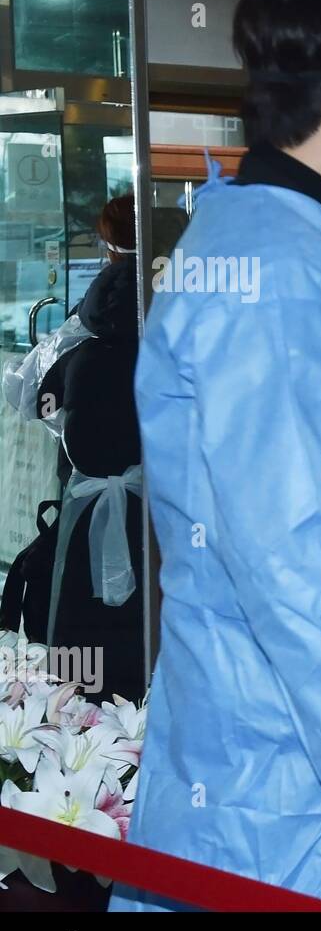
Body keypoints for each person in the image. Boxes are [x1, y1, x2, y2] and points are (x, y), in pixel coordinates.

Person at [109, 0, 321, 912]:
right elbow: (290, 542)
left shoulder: (242, 232)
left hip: (245, 728)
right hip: (288, 765)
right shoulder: (283, 272)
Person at [1, 196, 144, 701]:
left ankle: (79, 727)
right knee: (150, 627)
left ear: (107, 249)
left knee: (81, 633)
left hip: (83, 507)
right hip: (163, 514)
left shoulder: (82, 333)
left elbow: (25, 393)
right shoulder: (177, 324)